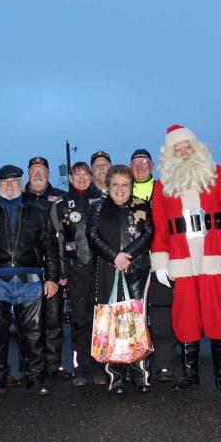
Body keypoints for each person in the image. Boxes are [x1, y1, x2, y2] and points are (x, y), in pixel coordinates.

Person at [150, 125, 221, 391]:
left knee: (219, 313)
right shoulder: (163, 182)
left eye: (187, 146)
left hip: (214, 254)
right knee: (185, 316)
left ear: (196, 147)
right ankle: (189, 374)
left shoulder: (216, 173)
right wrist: (160, 262)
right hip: (181, 258)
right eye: (178, 148)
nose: (183, 151)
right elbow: (160, 225)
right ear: (170, 153)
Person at [0, 165, 59, 398]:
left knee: (33, 333)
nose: (9, 185)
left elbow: (50, 247)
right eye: (4, 182)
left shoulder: (39, 211)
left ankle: (35, 378)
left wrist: (51, 278)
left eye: (14, 181)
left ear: (21, 183)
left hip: (31, 279)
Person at [87, 165, 154, 394]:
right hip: (108, 269)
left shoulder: (141, 205)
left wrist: (128, 256)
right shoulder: (96, 208)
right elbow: (92, 235)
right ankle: (115, 375)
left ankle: (140, 373)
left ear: (131, 186)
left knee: (138, 321)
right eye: (115, 184)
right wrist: (114, 256)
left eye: (125, 184)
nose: (120, 189)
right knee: (111, 323)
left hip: (137, 271)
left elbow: (148, 234)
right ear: (108, 185)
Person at [50, 162, 104, 386]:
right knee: (80, 318)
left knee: (100, 318)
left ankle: (100, 366)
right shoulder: (61, 204)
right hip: (76, 269)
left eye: (85, 174)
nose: (81, 178)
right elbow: (57, 240)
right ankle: (80, 368)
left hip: (101, 267)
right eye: (77, 174)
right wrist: (62, 272)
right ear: (70, 178)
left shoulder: (103, 201)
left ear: (91, 177)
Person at [130, 147, 176, 381]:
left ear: (152, 166)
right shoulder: (122, 191)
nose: (140, 167)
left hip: (160, 260)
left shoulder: (164, 189)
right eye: (136, 163)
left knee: (161, 315)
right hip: (134, 263)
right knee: (135, 316)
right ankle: (137, 365)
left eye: (144, 163)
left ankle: (165, 364)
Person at [23, 156, 68, 380]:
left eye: (42, 170)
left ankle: (53, 365)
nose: (38, 174)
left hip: (54, 267)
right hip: (27, 269)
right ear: (28, 174)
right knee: (28, 322)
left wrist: (63, 270)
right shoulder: (19, 199)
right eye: (33, 170)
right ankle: (30, 367)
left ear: (48, 174)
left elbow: (68, 235)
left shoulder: (60, 199)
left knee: (53, 320)